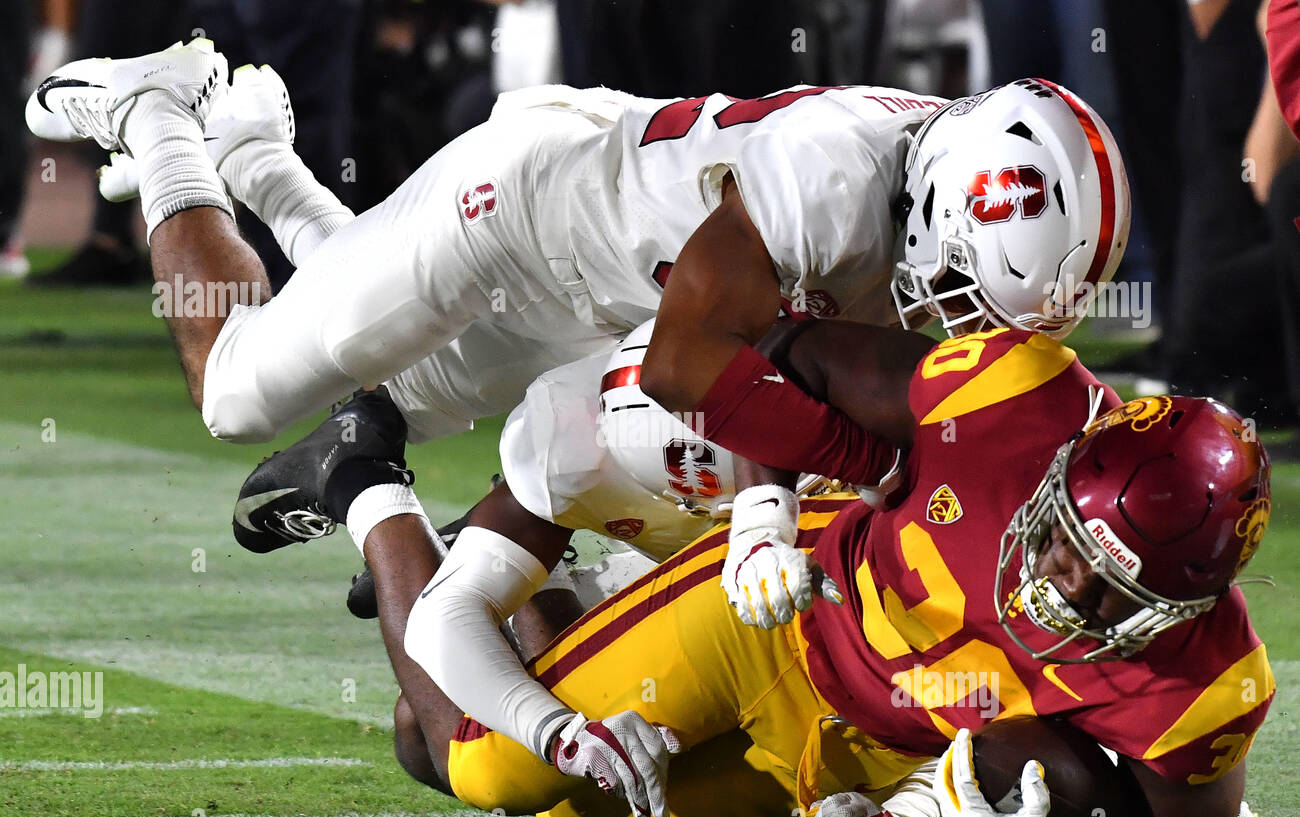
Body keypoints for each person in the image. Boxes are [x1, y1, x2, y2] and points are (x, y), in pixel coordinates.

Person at [235, 314, 1273, 817]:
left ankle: (564, 599)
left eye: (1110, 594)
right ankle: (364, 478)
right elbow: (782, 353)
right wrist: (764, 518)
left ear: (1185, 611)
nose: (1063, 584)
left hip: (877, 739)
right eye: (1067, 544)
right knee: (474, 764)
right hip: (777, 614)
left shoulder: (1207, 683)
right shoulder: (1013, 398)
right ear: (1061, 473)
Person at [25, 39, 1127, 471]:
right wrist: (876, 465)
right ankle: (164, 118)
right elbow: (686, 368)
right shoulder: (830, 176)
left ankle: (257, 154)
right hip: (517, 211)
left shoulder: (951, 160)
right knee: (235, 392)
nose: (957, 317)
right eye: (960, 284)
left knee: (380, 375)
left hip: (599, 269)